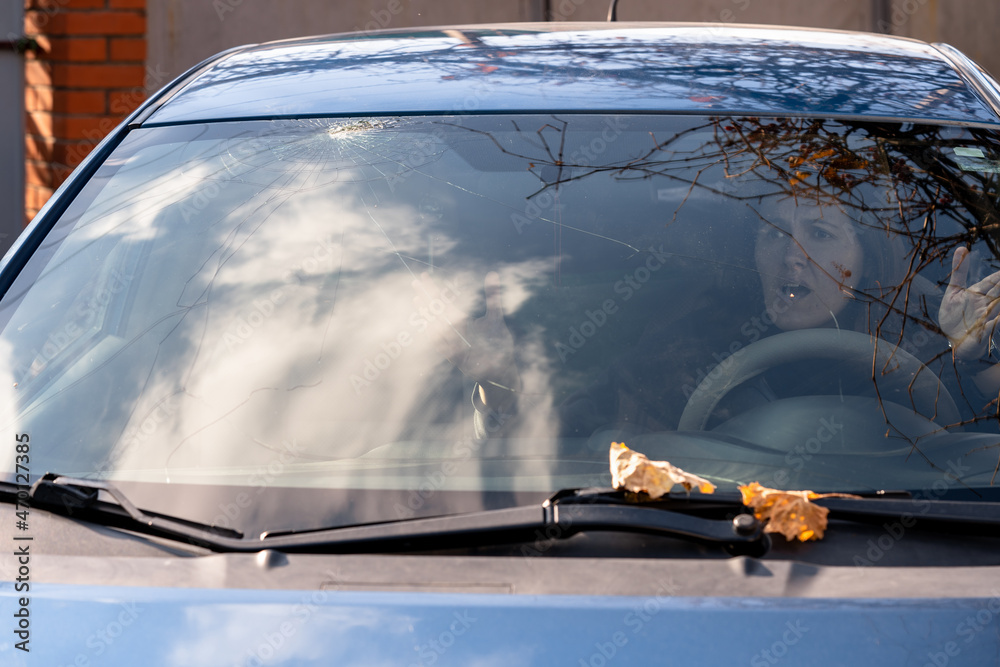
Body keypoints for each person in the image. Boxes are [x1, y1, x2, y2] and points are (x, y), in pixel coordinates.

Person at [416, 197, 1000, 440]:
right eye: (771, 233)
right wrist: (499, 381)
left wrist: (976, 360)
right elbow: (567, 443)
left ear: (866, 260)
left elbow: (981, 450)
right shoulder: (685, 345)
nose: (789, 253)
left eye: (820, 234)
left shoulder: (930, 349)